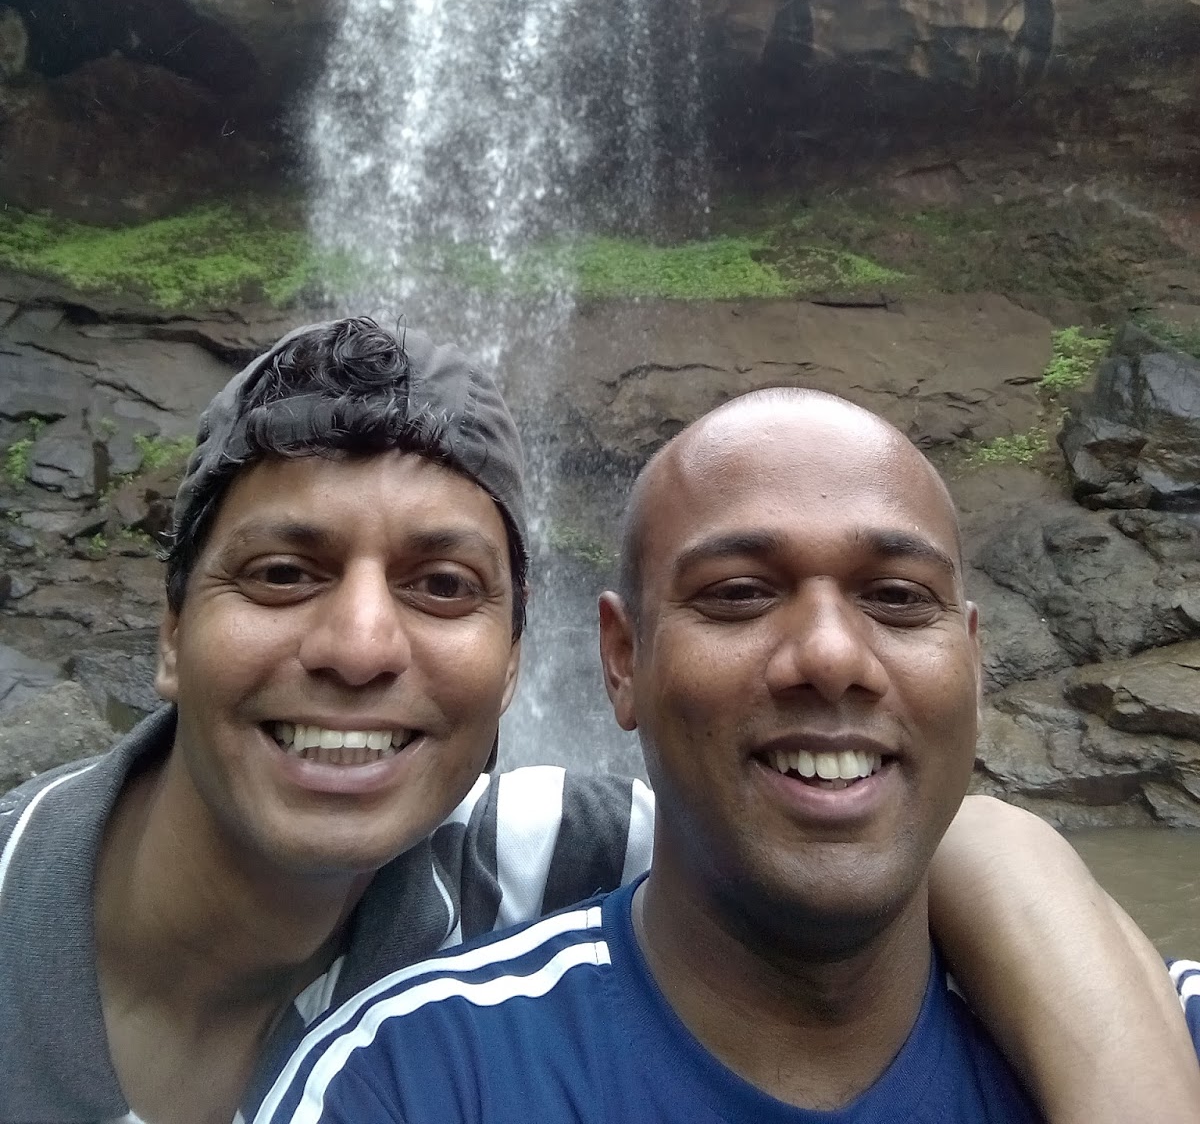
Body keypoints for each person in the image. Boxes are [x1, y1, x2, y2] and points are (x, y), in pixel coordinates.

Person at [0, 328, 1193, 1124]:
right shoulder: (416, 1067)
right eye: (279, 573)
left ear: (524, 662)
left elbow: (895, 832)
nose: (360, 646)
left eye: (443, 587)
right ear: (166, 633)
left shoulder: (554, 848)